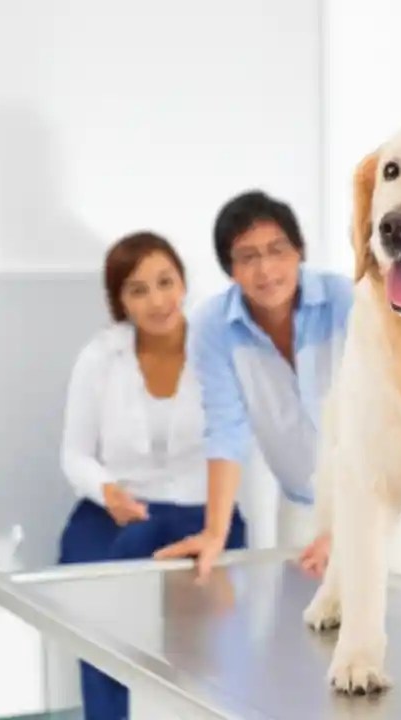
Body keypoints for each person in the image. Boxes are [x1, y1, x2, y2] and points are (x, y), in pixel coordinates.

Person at [57, 231, 248, 720]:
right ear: (119, 300)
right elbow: (74, 454)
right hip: (117, 510)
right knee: (98, 617)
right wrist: (106, 491)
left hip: (200, 512)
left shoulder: (219, 351)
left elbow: (235, 442)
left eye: (165, 282)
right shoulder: (100, 357)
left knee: (212, 647)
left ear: (183, 283)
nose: (157, 300)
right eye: (137, 290)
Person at [154, 190, 351, 579]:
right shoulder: (214, 326)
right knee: (303, 623)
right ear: (231, 270)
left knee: (380, 616)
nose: (265, 270)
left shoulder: (344, 300)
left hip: (383, 499)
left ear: (300, 252)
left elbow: (380, 413)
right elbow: (226, 430)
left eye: (277, 250)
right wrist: (214, 533)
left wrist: (345, 530)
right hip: (302, 502)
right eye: (248, 257)